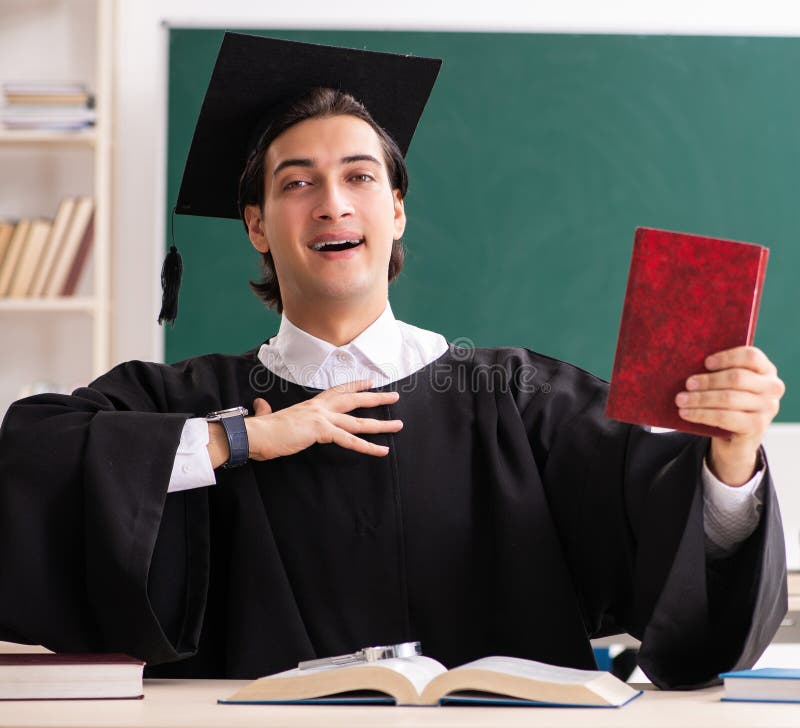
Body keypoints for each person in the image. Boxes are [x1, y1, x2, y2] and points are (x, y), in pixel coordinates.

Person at [0, 33, 787, 689]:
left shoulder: (518, 399)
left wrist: (731, 458)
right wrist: (237, 439)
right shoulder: (192, 399)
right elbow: (32, 457)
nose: (333, 203)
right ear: (257, 226)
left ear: (397, 209)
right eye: (297, 183)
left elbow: (668, 543)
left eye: (359, 176)